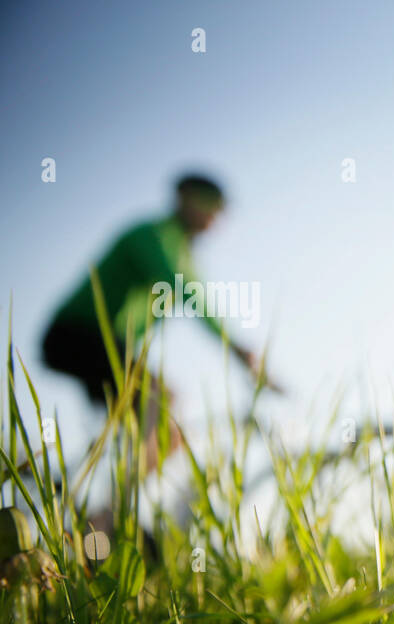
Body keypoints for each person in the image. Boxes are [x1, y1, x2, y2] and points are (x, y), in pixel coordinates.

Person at [41, 173, 273, 472]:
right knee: (160, 398)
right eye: (210, 204)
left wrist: (247, 357)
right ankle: (115, 511)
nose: (215, 215)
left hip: (108, 345)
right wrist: (239, 351)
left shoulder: (184, 255)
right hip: (76, 335)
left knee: (170, 436)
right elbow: (187, 293)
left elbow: (202, 304)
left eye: (220, 209)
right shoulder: (152, 235)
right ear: (186, 199)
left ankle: (101, 510)